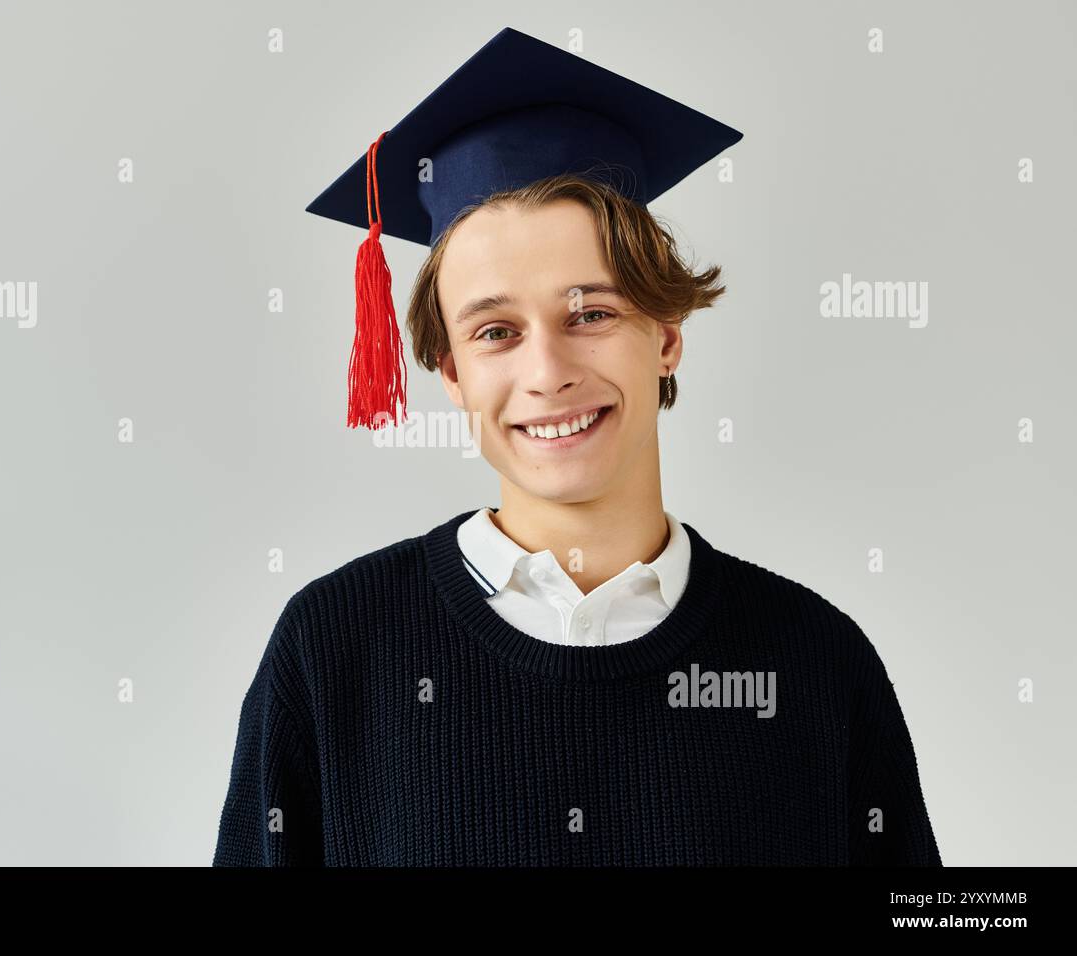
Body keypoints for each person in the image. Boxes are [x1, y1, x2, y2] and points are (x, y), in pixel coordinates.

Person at [212, 26, 941, 866]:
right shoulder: (335, 649)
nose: (547, 371)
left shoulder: (813, 660)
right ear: (451, 372)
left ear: (666, 334)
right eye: (495, 331)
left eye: (590, 314)